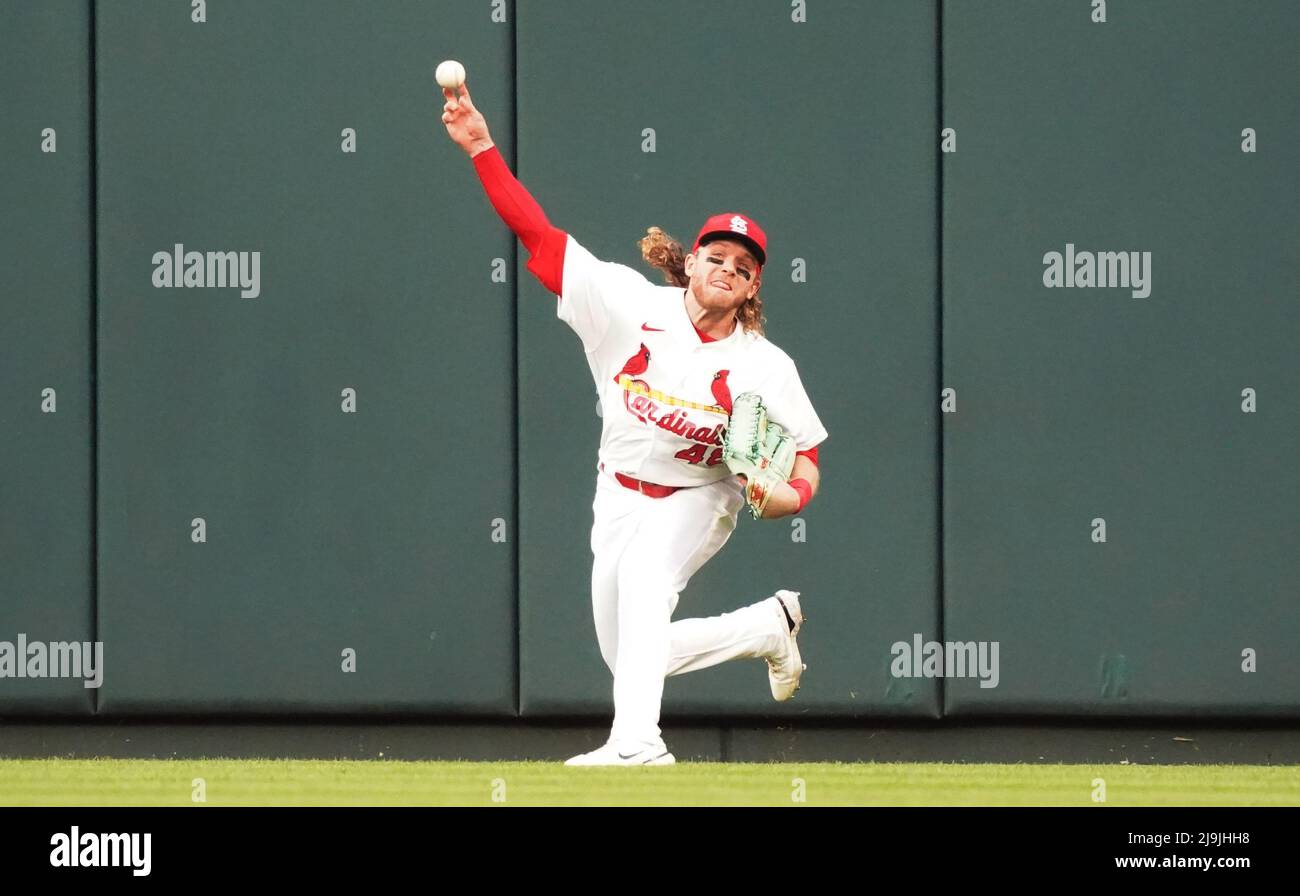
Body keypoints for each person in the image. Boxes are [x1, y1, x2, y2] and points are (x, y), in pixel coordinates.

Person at [439, 82, 827, 766]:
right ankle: (768, 626)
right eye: (718, 255)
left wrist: (782, 496)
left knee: (650, 582)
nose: (728, 268)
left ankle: (638, 746)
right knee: (627, 658)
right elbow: (537, 233)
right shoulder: (627, 304)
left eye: (744, 265)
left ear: (754, 285)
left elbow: (807, 465)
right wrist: (481, 148)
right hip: (617, 490)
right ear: (694, 260)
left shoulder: (766, 366)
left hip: (698, 495)